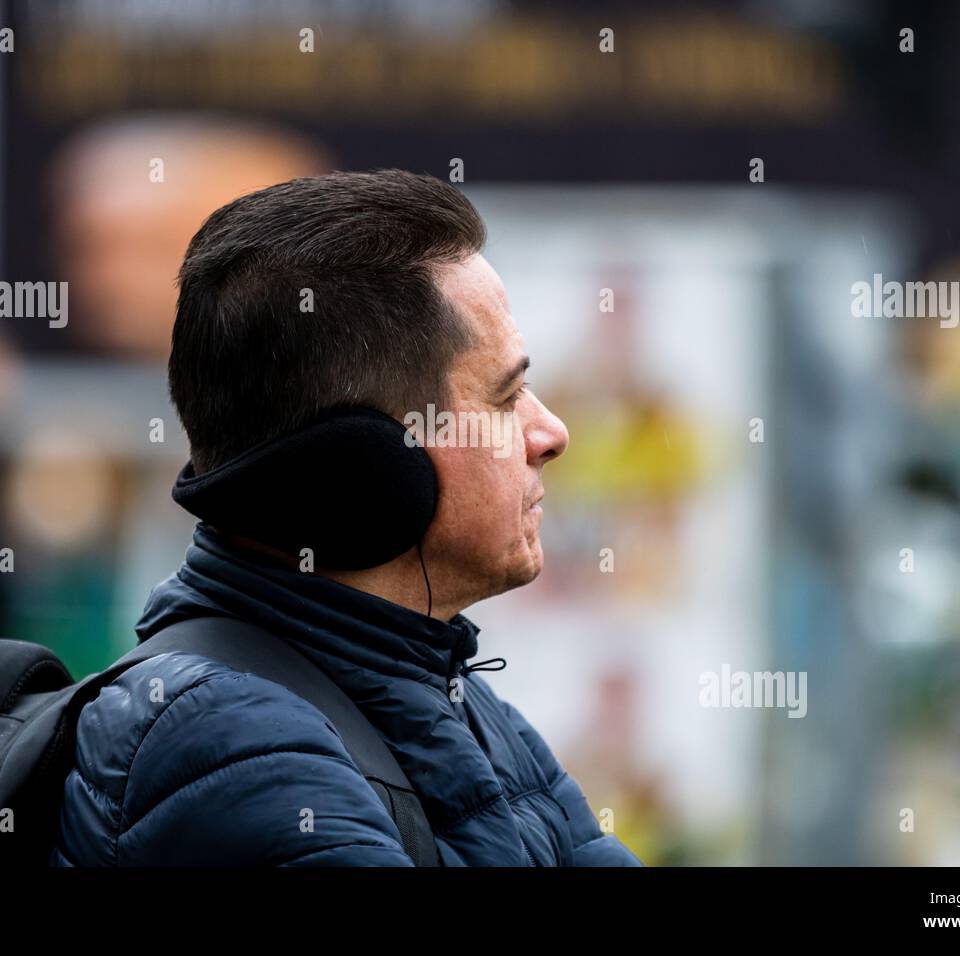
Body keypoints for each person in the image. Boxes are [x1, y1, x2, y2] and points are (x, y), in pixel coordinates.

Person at [50, 169, 644, 866]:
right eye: (505, 396)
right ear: (362, 465)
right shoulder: (226, 745)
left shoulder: (459, 702)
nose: (551, 433)